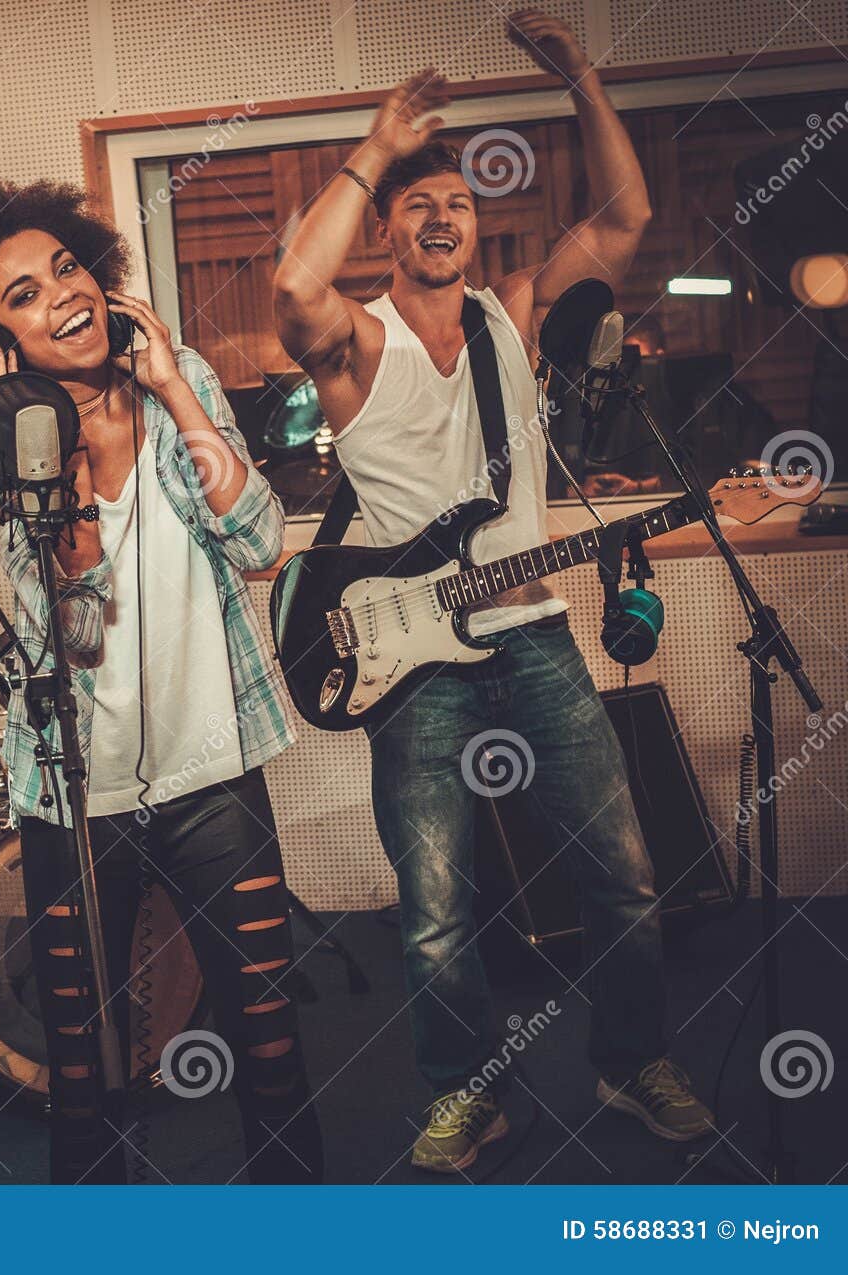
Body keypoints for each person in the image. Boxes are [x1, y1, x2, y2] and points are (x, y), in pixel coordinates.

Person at [273, 9, 714, 1174]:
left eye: (458, 203)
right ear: (384, 228)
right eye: (416, 204)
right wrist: (375, 148)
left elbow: (623, 219)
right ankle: (465, 1094)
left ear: (478, 224)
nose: (440, 217)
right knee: (435, 911)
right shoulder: (354, 344)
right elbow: (293, 285)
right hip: (414, 663)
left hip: (533, 637)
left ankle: (629, 1062)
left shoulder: (511, 315)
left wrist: (581, 76)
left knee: (622, 877)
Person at [0, 178, 323, 1184]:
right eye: (23, 296)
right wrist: (52, 463)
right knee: (84, 1077)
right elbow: (75, 631)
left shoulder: (183, 379)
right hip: (76, 798)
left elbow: (260, 545)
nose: (63, 296)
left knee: (269, 1043)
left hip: (215, 772)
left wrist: (173, 390)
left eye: (66, 268)